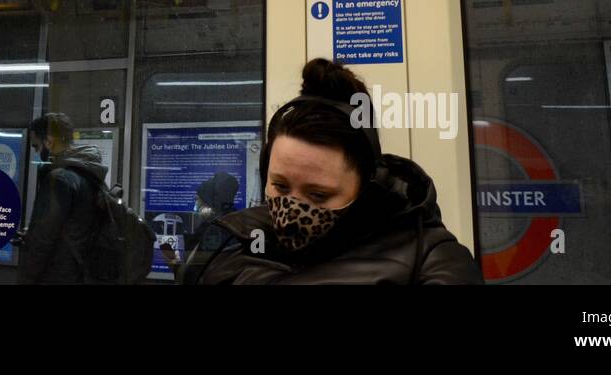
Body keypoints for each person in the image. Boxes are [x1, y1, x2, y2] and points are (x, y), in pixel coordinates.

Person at [196, 60, 483, 284]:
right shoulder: (236, 243)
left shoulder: (431, 259)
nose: (291, 211)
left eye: (318, 194)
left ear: (369, 185)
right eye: (280, 187)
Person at [17, 112, 106, 284]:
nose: (36, 152)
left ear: (49, 141)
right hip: (79, 272)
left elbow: (43, 239)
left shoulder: (59, 179)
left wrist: (27, 278)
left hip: (57, 274)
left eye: (36, 146)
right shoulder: (89, 174)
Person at [161, 171, 240, 285]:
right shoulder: (230, 222)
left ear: (210, 204)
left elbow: (199, 274)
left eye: (198, 200)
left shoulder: (216, 231)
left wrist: (176, 266)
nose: (195, 207)